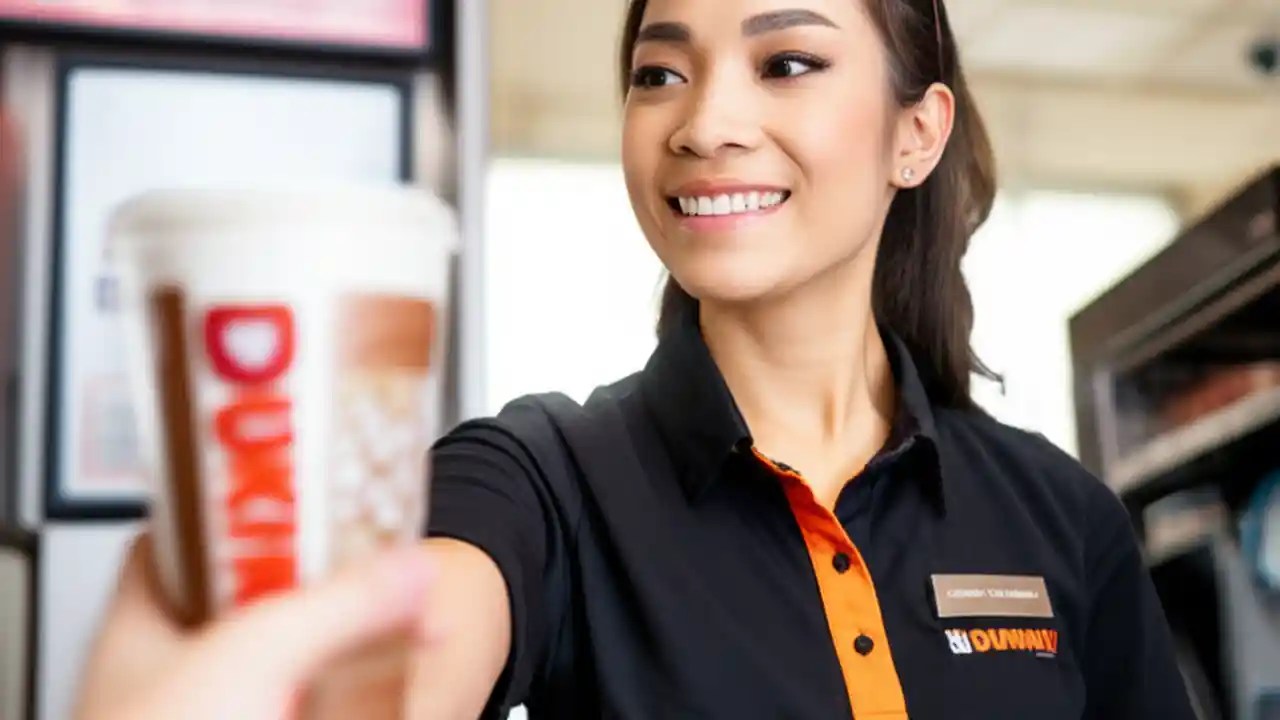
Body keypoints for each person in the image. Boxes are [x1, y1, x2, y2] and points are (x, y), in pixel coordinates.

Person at [81, 0, 1197, 718]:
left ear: (917, 133)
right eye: (660, 74)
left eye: (786, 62)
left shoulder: (1062, 517)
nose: (704, 124)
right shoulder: (538, 478)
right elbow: (417, 653)